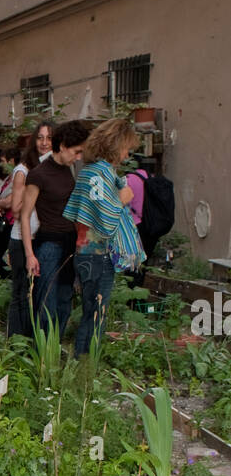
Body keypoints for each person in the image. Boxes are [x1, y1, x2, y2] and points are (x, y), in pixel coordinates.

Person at [64, 118, 145, 357]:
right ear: (114, 144)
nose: (127, 153)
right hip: (97, 255)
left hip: (90, 254)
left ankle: (84, 367)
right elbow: (106, 220)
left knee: (92, 313)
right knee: (95, 315)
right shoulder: (99, 175)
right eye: (126, 147)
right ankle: (85, 367)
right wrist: (122, 198)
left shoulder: (91, 172)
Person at [22, 119, 91, 338]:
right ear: (62, 146)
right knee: (46, 305)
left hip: (70, 244)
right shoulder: (38, 174)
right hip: (49, 245)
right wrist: (29, 255)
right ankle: (42, 354)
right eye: (76, 151)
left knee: (64, 302)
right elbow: (24, 216)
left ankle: (55, 348)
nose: (79, 157)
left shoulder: (68, 169)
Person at [5, 122, 53, 336]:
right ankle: (15, 341)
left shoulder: (54, 168)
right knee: (21, 293)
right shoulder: (23, 170)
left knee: (38, 294)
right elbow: (15, 210)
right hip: (20, 239)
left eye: (49, 138)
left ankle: (34, 341)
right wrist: (39, 196)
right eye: (41, 137)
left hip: (44, 238)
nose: (44, 142)